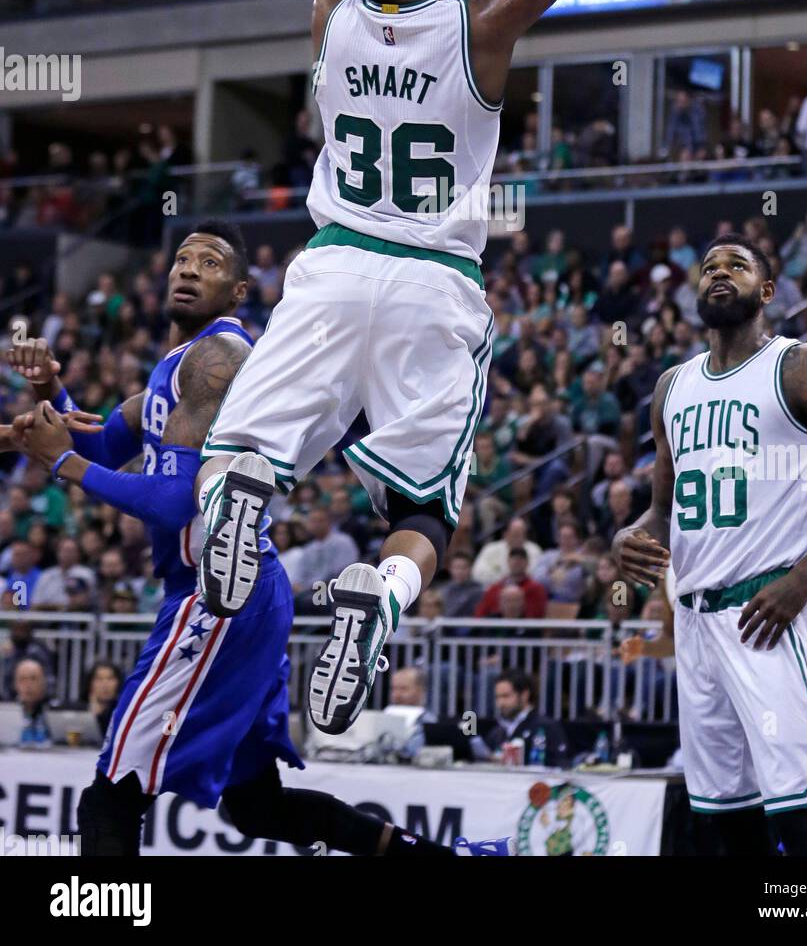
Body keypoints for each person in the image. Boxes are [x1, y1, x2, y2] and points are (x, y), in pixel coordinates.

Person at [192, 0, 680, 738]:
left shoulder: (331, 8)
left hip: (327, 272)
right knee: (423, 514)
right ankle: (376, 594)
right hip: (431, 285)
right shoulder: (482, 21)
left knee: (241, 448)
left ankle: (243, 490)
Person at [9, 231, 507, 858]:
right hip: (242, 593)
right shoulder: (178, 367)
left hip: (216, 593)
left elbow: (173, 501)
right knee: (256, 804)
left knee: (112, 793)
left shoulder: (217, 356)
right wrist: (49, 392)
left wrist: (62, 468)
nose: (188, 271)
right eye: (182, 260)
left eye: (209, 264)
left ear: (239, 290)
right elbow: (101, 444)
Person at [614, 234, 807, 856]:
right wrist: (628, 539)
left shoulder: (801, 366)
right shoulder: (670, 387)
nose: (719, 272)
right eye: (709, 266)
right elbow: (661, 511)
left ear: (766, 291)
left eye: (737, 265)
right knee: (727, 822)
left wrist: (806, 577)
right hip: (696, 623)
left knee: (797, 815)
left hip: (771, 610)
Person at [476, 669, 570, 767]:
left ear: (524, 695)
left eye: (506, 696)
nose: (500, 703)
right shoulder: (497, 731)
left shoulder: (547, 727)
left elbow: (558, 765)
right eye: (497, 697)